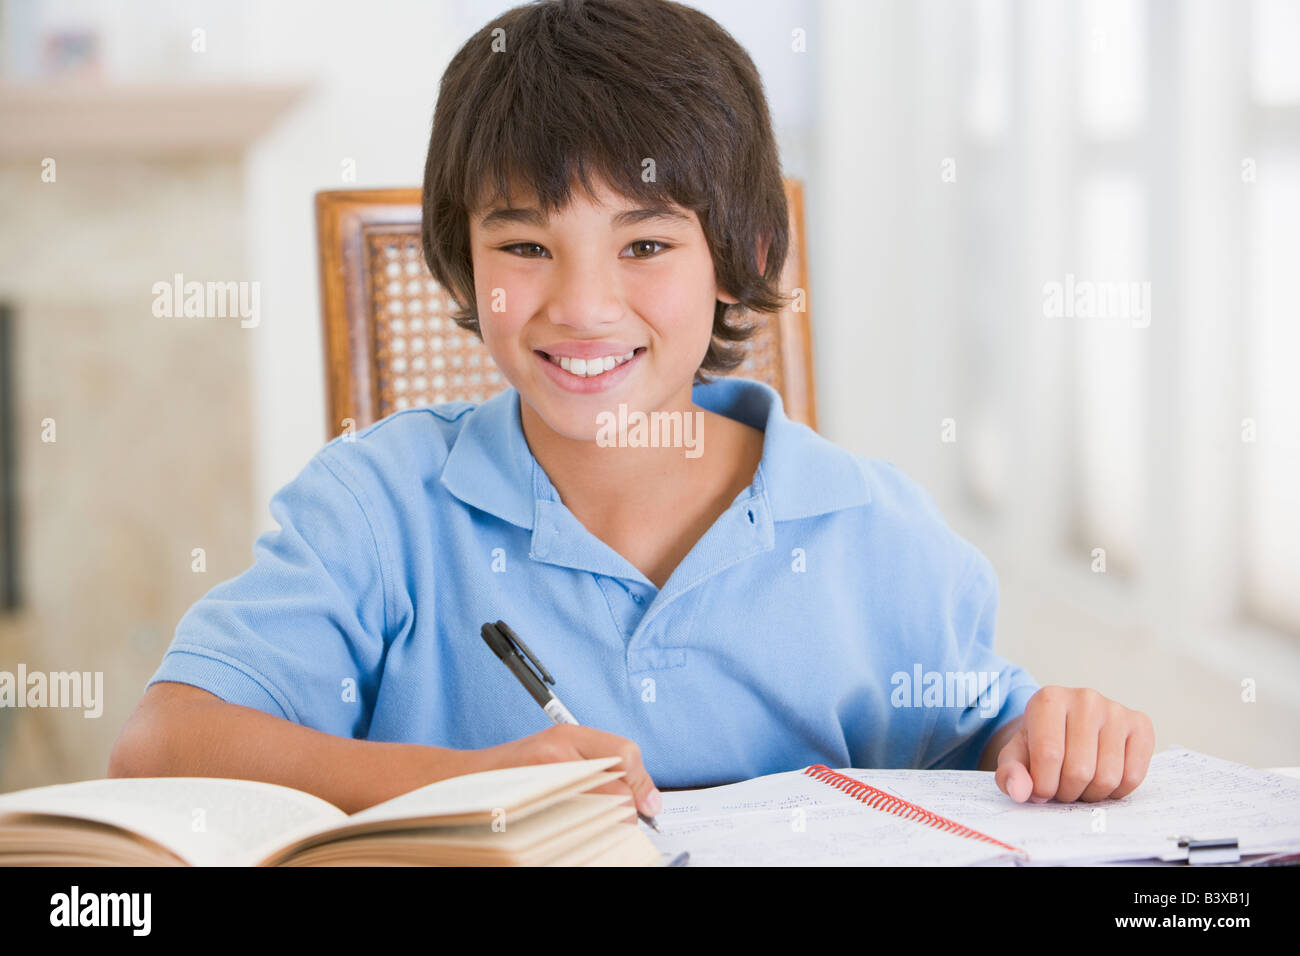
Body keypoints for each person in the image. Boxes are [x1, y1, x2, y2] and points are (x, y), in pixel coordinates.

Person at [110, 0, 1153, 821]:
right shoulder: (377, 510)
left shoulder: (874, 537)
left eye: (645, 245)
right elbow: (159, 747)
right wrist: (469, 781)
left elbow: (998, 744)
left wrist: (1057, 733)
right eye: (524, 246)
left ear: (739, 259)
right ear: (462, 270)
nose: (582, 305)